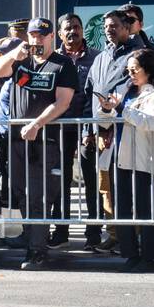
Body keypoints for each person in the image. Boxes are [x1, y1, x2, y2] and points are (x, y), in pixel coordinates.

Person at [0, 18, 76, 271]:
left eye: (42, 35)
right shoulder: (21, 62)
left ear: (51, 38)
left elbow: (63, 101)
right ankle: (31, 237)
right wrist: (15, 54)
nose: (37, 39)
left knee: (38, 195)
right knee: (20, 192)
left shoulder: (62, 64)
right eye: (33, 35)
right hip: (16, 139)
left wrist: (37, 124)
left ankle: (37, 250)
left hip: (44, 140)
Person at [99, 49, 154, 272]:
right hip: (121, 157)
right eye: (128, 69)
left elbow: (150, 122)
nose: (130, 73)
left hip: (146, 159)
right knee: (122, 209)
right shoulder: (125, 91)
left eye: (135, 69)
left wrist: (122, 108)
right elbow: (106, 119)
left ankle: (149, 256)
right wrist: (106, 109)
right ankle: (130, 254)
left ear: (148, 70)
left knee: (145, 210)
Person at [86, 9, 146, 255]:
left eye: (114, 26)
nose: (109, 30)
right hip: (102, 133)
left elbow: (133, 89)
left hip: (125, 131)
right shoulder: (101, 57)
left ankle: (133, 237)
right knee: (106, 187)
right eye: (106, 27)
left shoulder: (137, 55)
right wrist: (91, 129)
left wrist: (115, 121)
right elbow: (90, 91)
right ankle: (114, 234)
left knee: (128, 187)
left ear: (127, 27)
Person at [54, 13, 100, 247]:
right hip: (59, 127)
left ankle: (93, 235)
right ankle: (60, 233)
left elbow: (95, 94)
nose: (73, 31)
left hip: (87, 128)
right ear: (60, 34)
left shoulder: (96, 57)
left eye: (77, 27)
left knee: (91, 181)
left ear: (83, 30)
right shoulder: (52, 58)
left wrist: (90, 129)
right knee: (59, 181)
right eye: (67, 29)